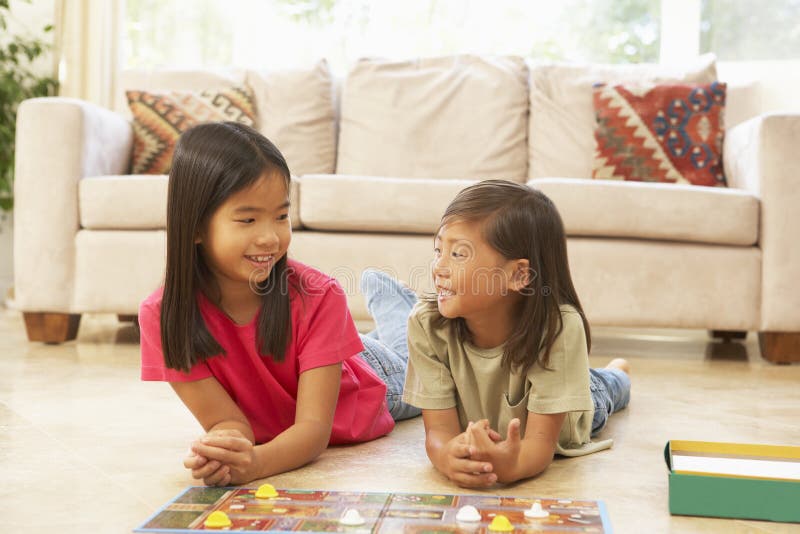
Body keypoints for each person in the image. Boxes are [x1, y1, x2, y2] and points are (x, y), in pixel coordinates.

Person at [139, 122, 419, 486]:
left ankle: (400, 308)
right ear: (194, 227)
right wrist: (229, 451)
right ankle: (387, 309)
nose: (270, 237)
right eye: (248, 219)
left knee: (416, 360)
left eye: (281, 216)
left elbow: (313, 431)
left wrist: (256, 464)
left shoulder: (320, 294)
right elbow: (230, 423)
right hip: (324, 352)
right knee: (368, 341)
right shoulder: (161, 316)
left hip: (371, 383)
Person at [400, 179, 631, 487]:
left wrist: (512, 467)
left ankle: (617, 372)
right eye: (439, 249)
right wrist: (445, 457)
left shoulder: (559, 329)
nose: (438, 267)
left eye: (457, 255)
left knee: (603, 390)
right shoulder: (427, 325)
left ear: (519, 274)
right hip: (536, 389)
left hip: (565, 414)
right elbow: (438, 433)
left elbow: (538, 447)